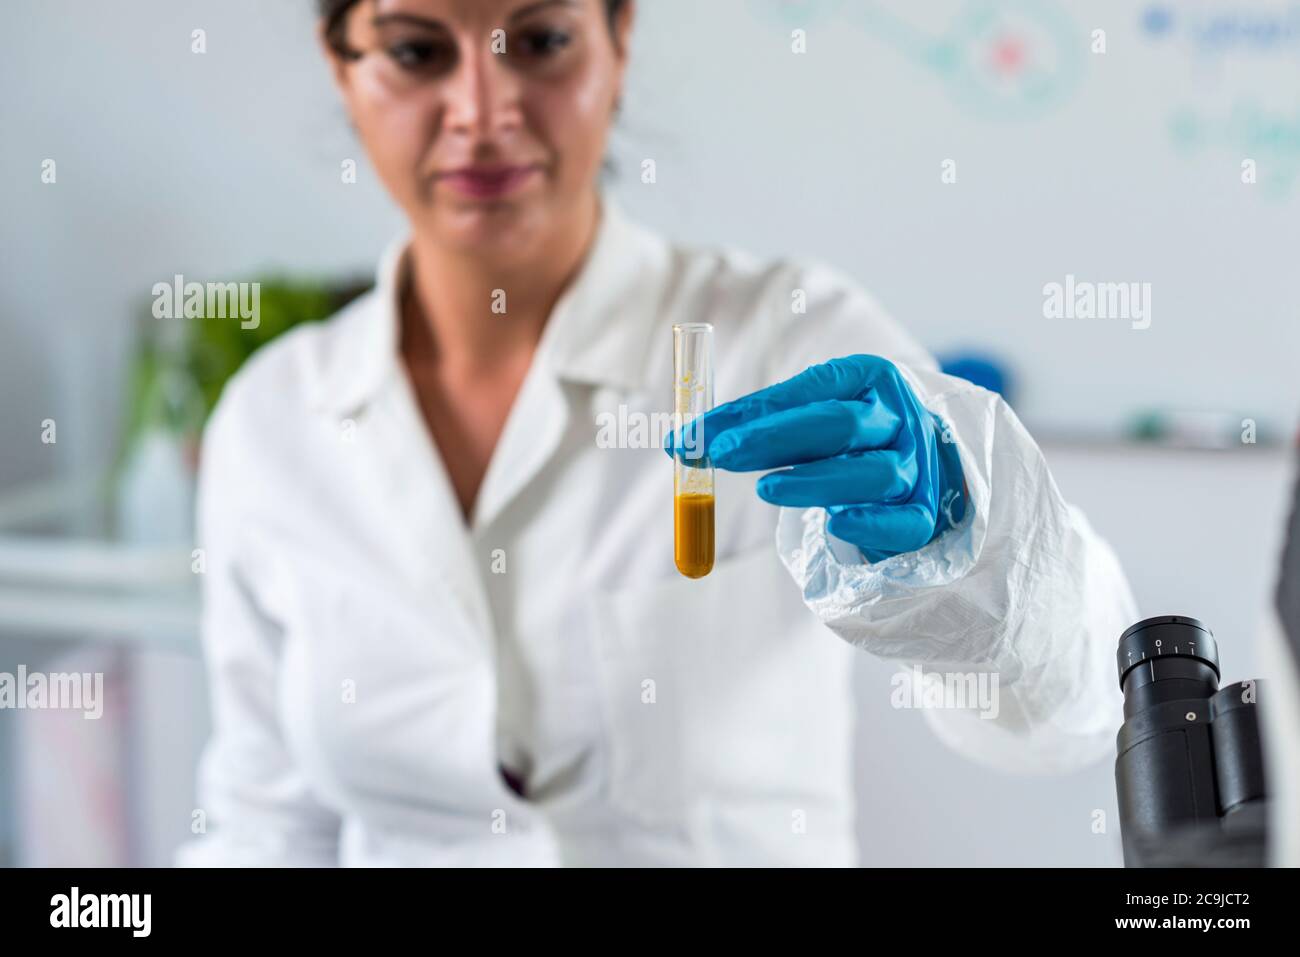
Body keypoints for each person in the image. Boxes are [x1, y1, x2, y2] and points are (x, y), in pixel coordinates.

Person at [177, 0, 1136, 867]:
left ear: (619, 40)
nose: (481, 108)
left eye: (542, 40)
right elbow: (267, 828)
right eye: (417, 50)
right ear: (342, 66)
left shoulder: (785, 333)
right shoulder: (275, 421)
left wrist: (974, 543)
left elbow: (1076, 703)